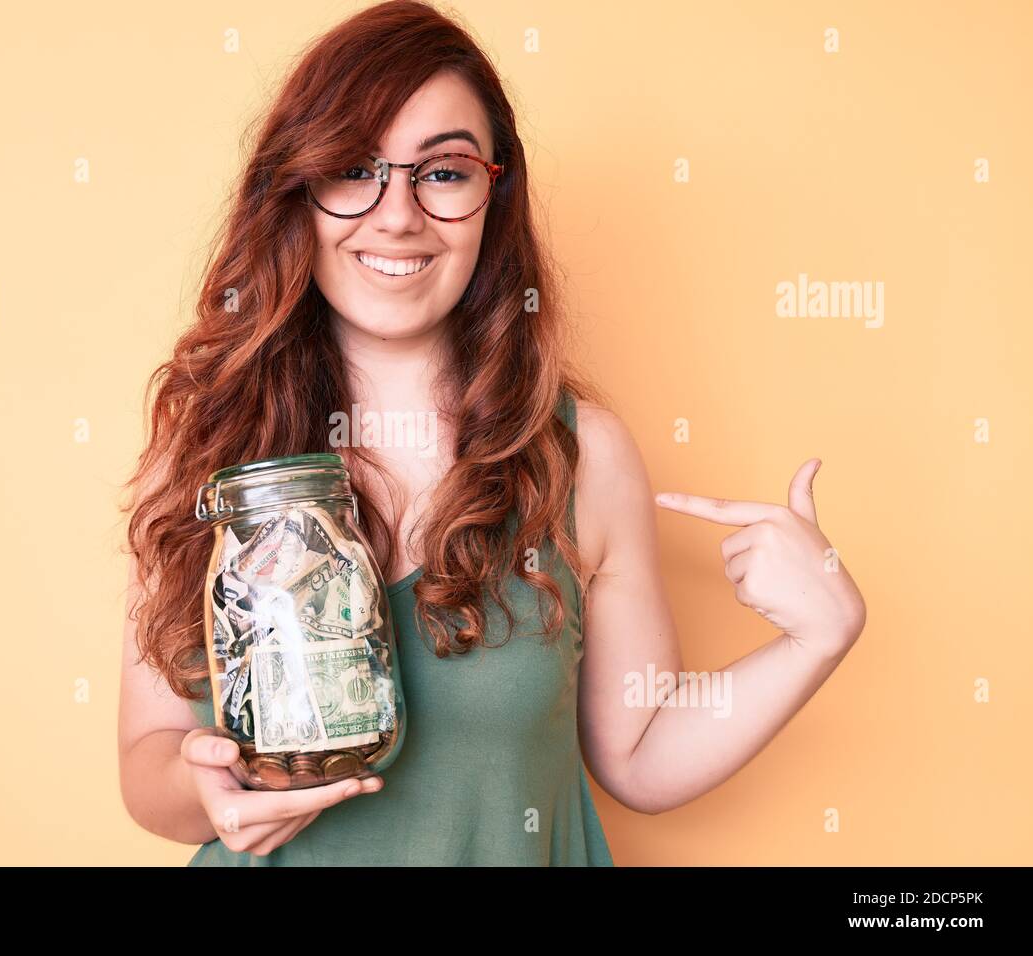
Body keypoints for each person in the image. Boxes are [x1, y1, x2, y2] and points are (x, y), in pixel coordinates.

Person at [117, 0, 866, 866]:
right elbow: (148, 763)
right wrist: (205, 786)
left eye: (443, 172)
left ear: (491, 196)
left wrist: (819, 635)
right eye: (355, 168)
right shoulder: (208, 450)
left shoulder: (582, 455)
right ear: (299, 190)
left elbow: (642, 752)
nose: (397, 215)